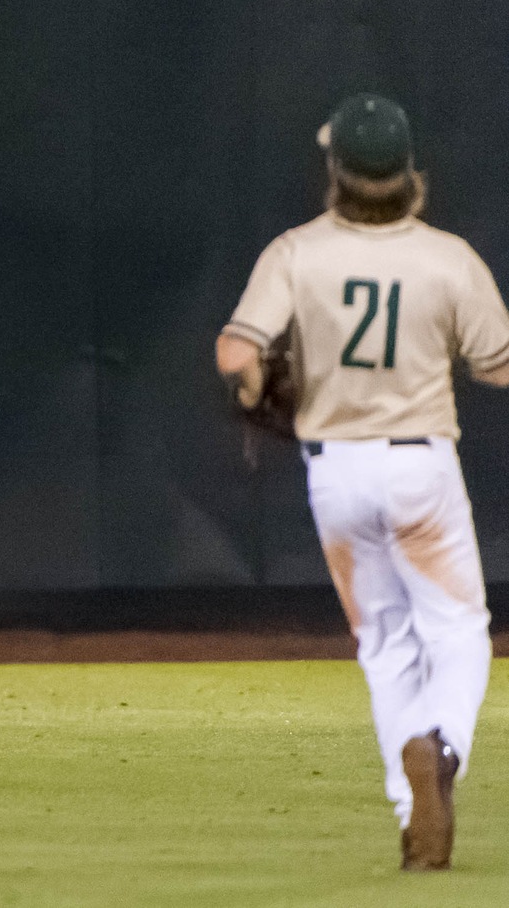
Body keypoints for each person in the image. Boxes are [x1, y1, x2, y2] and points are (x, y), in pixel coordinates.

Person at [217, 94, 509, 870]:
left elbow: (235, 353)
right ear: (409, 173)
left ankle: (413, 813)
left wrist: (257, 385)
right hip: (418, 463)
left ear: (335, 171)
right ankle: (440, 751)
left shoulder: (296, 252)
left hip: (335, 471)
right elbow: (498, 364)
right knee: (456, 631)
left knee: (383, 645)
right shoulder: (447, 259)